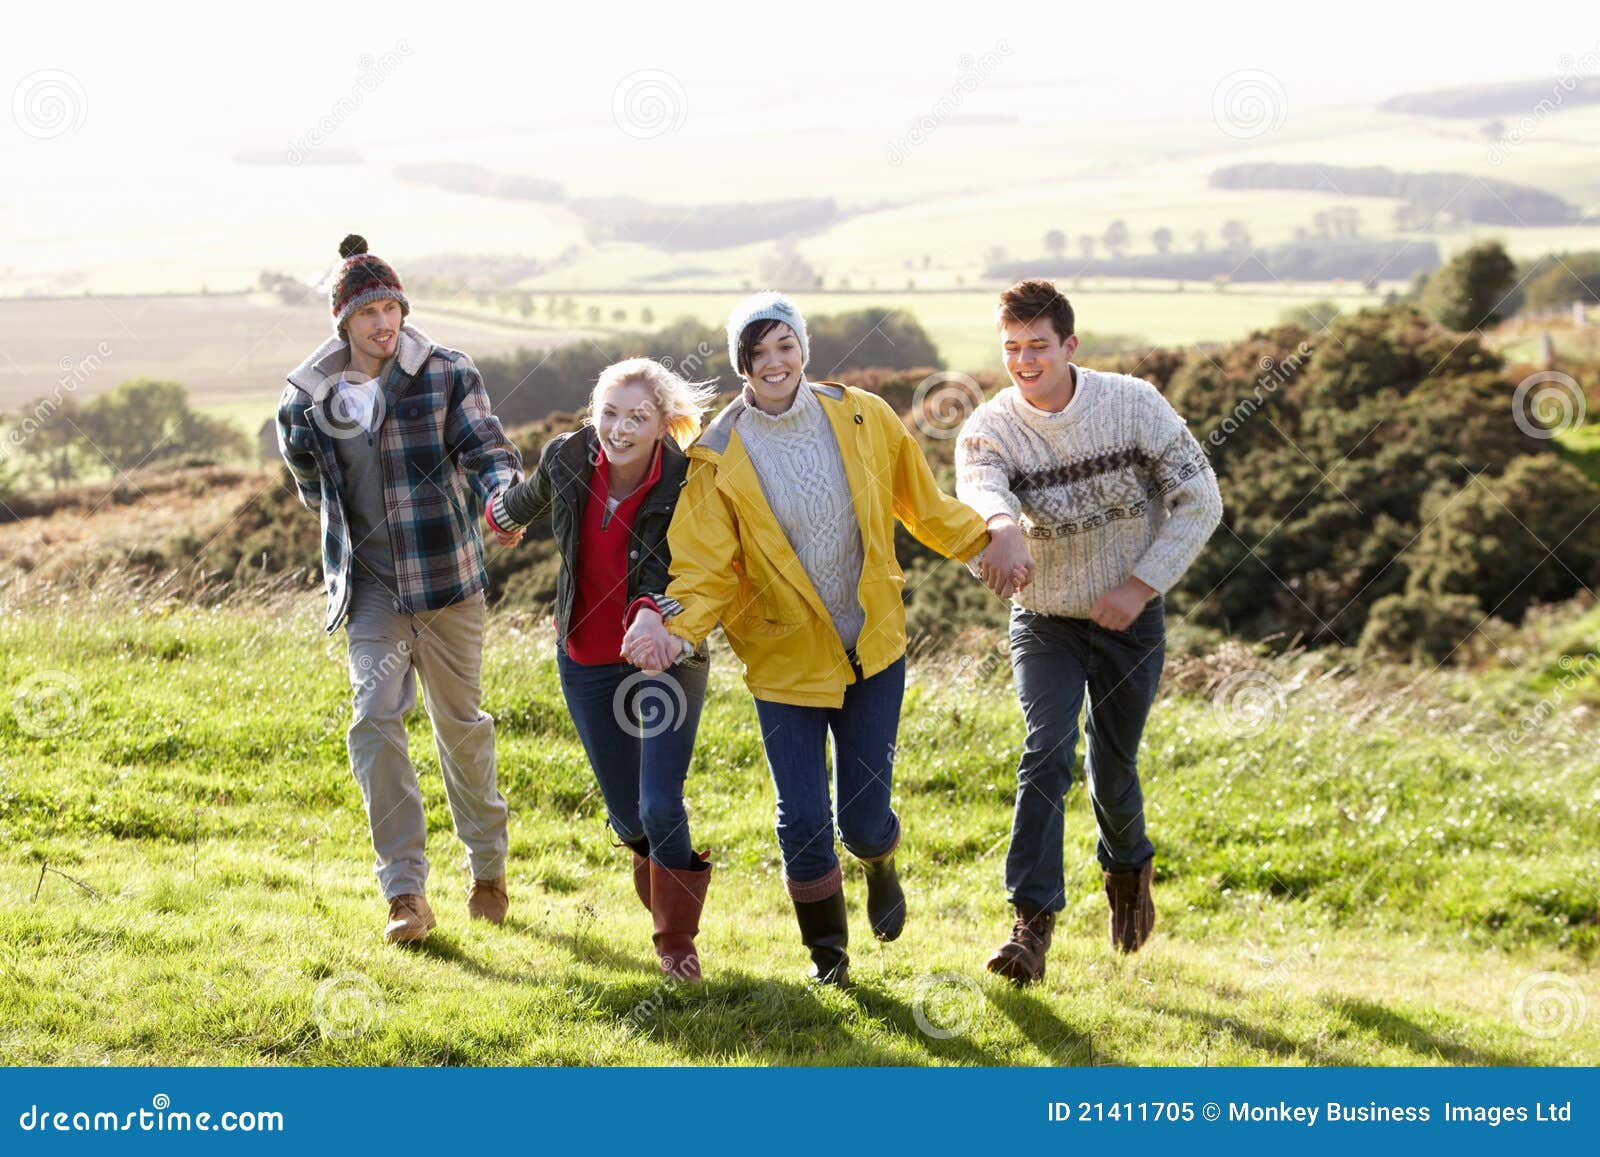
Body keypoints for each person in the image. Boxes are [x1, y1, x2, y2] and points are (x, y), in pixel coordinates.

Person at [624, 292, 1011, 985]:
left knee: (862, 820)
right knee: (801, 817)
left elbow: (921, 506)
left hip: (874, 648)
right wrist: (672, 629)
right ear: (741, 363)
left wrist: (991, 539)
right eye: (757, 351)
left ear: (802, 348)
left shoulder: (864, 415)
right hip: (784, 659)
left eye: (784, 345)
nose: (773, 362)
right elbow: (704, 569)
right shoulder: (717, 455)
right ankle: (829, 960)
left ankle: (879, 861)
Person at [955, 278, 1223, 984]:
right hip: (1045, 618)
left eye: (1038, 345)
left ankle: (1128, 870)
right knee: (1047, 748)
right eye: (1012, 347)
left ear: (1070, 345)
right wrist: (1002, 527)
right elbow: (979, 488)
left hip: (1130, 620)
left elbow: (1201, 498)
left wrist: (1140, 586)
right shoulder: (989, 425)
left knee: (1113, 768)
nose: (1024, 361)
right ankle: (1030, 925)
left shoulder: (1133, 404)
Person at [277, 234, 524, 945]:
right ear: (344, 322)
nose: (384, 323)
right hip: (371, 592)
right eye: (368, 312)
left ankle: (487, 866)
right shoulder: (309, 396)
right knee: (373, 721)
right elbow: (309, 484)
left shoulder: (446, 372)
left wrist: (504, 500)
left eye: (392, 308)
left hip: (447, 581)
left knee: (461, 729)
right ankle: (405, 892)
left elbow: (488, 450)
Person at [487, 358, 719, 981]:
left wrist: (648, 613)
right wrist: (500, 519)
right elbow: (529, 498)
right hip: (587, 656)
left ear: (663, 424)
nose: (620, 429)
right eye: (609, 413)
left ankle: (676, 941)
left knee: (660, 804)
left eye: (637, 417)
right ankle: (665, 889)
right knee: (629, 816)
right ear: (593, 414)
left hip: (665, 653)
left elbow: (672, 564)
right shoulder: (569, 456)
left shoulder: (684, 480)